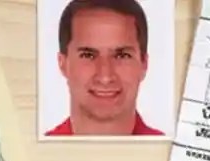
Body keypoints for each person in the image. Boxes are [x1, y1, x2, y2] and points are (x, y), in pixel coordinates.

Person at [46, 0, 163, 136]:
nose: (105, 77)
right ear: (63, 64)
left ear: (144, 64)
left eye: (122, 55)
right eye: (88, 55)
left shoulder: (171, 147)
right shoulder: (32, 148)